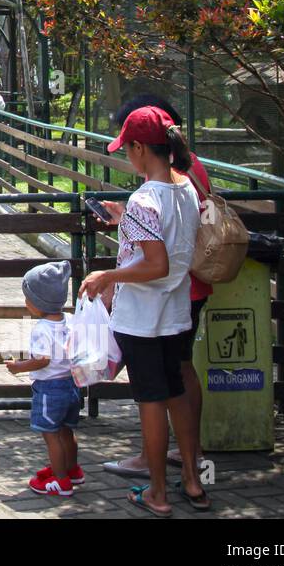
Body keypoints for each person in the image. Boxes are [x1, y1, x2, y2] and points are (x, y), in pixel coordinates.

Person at [81, 105, 207, 515]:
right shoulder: (186, 188)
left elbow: (156, 263)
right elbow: (167, 246)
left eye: (127, 149)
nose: (126, 156)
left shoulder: (143, 199)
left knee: (151, 402)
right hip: (176, 313)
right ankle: (192, 480)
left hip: (143, 320)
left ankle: (157, 493)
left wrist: (107, 277)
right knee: (176, 395)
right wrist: (124, 224)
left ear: (139, 148)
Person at [6, 260, 83, 497]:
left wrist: (18, 367)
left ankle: (60, 482)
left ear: (39, 303)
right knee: (67, 431)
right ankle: (72, 470)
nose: (25, 302)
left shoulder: (41, 329)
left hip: (50, 389)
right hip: (71, 385)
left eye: (28, 298)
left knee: (51, 435)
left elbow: (42, 360)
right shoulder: (69, 320)